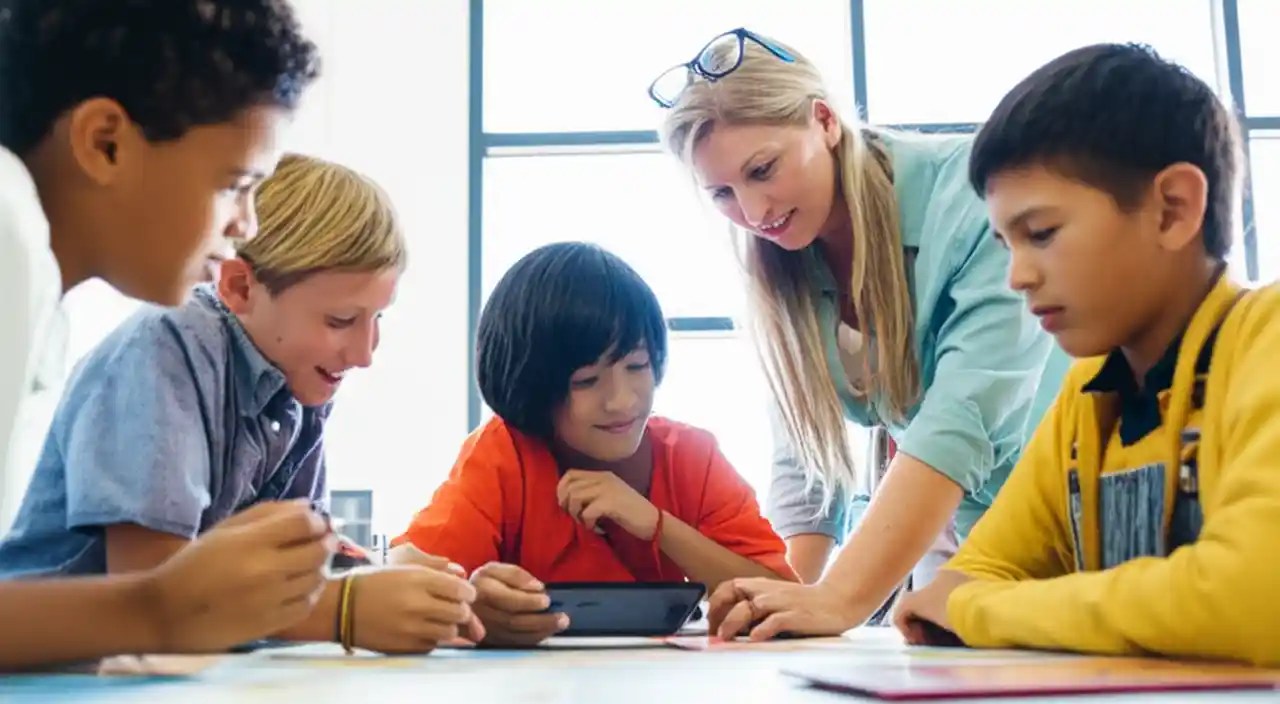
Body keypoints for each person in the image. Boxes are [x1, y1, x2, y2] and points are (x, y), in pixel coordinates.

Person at [651, 28, 1068, 639]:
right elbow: (804, 458)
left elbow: (963, 417)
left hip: (1075, 511)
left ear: (823, 120)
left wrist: (839, 598)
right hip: (963, 534)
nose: (754, 211)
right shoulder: (781, 269)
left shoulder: (974, 193)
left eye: (763, 169)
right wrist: (787, 600)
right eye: (722, 193)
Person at [0, 152, 481, 654]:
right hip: (46, 668)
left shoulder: (297, 377)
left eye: (378, 318)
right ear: (238, 286)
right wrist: (344, 609)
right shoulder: (163, 348)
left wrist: (447, 604)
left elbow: (297, 567)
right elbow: (156, 583)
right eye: (340, 321)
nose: (364, 355)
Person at [894, 43, 1280, 667]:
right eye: (1004, 242)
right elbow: (972, 575)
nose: (1016, 275)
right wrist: (971, 601)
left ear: (1173, 208)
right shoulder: (1089, 396)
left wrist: (979, 612)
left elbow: (1255, 598)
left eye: (1041, 234)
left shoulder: (1269, 340)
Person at [0, 0, 337, 669]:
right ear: (106, 143)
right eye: (235, 185)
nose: (246, 225)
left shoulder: (41, 291)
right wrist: (157, 609)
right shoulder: (9, 231)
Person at [393, 242, 796, 646]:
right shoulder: (504, 453)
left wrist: (656, 524)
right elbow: (404, 575)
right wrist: (473, 605)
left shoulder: (691, 456)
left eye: (637, 366)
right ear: (533, 385)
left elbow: (786, 597)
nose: (622, 400)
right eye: (586, 380)